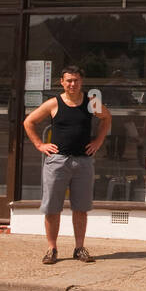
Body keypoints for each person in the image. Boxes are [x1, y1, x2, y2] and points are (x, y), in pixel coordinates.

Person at [23, 65, 112, 265]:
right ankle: (52, 249)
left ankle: (79, 248)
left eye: (76, 80)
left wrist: (98, 142)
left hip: (83, 161)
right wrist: (39, 144)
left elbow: (106, 118)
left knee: (81, 208)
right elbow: (29, 122)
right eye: (68, 80)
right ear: (62, 82)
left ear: (82, 82)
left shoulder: (91, 102)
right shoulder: (53, 104)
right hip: (57, 161)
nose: (72, 84)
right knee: (52, 208)